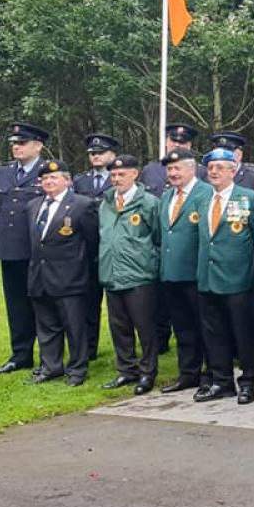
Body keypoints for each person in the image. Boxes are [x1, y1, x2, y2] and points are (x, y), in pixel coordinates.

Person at [195, 148, 254, 404]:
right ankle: (221, 381)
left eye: (220, 168)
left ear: (233, 170)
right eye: (210, 168)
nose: (213, 172)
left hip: (238, 280)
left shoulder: (251, 199)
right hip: (208, 278)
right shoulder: (203, 200)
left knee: (242, 334)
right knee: (214, 334)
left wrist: (253, 279)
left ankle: (247, 382)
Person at [25, 159, 99, 386]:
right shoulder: (34, 206)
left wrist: (82, 271)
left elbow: (93, 242)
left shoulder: (81, 205)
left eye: (54, 177)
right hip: (40, 276)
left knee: (74, 326)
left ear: (67, 180)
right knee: (46, 327)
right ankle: (51, 366)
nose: (48, 181)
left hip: (70, 278)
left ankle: (77, 369)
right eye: (45, 178)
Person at [97, 155, 160, 396]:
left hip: (139, 276)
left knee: (145, 327)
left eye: (122, 174)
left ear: (135, 174)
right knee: (119, 327)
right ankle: (126, 370)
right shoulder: (106, 203)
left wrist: (149, 264)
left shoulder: (148, 203)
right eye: (113, 175)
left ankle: (147, 372)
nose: (116, 179)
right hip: (112, 275)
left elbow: (157, 238)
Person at [0, 122, 49, 377]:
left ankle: (49, 357)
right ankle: (20, 355)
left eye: (22, 143)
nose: (17, 147)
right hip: (11, 248)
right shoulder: (4, 172)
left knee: (43, 304)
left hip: (37, 249)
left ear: (38, 145)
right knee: (16, 305)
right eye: (14, 143)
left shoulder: (48, 171)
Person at [157, 148, 214, 394]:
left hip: (196, 274)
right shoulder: (167, 196)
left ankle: (211, 374)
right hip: (172, 274)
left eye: (177, 168)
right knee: (183, 328)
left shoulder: (206, 193)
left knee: (206, 328)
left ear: (192, 169)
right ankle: (188, 374)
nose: (173, 173)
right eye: (169, 169)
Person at [74, 132, 119, 362]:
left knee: (120, 306)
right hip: (87, 250)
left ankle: (127, 350)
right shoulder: (80, 181)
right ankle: (88, 348)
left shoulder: (119, 178)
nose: (96, 157)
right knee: (88, 303)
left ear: (112, 155)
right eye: (92, 153)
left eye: (101, 153)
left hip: (113, 249)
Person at [140, 123, 206, 197]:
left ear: (189, 145)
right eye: (173, 141)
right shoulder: (150, 170)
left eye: (182, 142)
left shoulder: (201, 172)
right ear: (166, 142)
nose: (177, 145)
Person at [210, 131, 254, 202]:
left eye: (225, 154)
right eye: (217, 153)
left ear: (238, 155)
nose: (220, 157)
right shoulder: (209, 177)